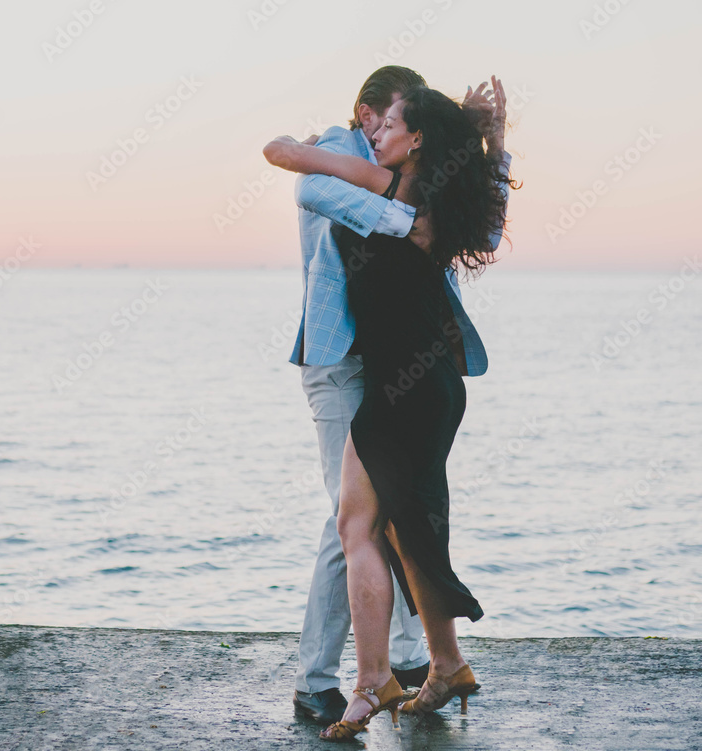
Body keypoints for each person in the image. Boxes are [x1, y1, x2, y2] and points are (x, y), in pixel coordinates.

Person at [264, 79, 517, 741]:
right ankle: (444, 664)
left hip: (402, 388)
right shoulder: (435, 191)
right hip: (425, 383)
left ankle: (366, 679)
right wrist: (493, 144)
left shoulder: (390, 183)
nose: (377, 135)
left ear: (416, 137)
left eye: (391, 125)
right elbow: (489, 220)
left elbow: (295, 167)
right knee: (405, 525)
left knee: (357, 524)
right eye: (376, 125)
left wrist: (314, 153)